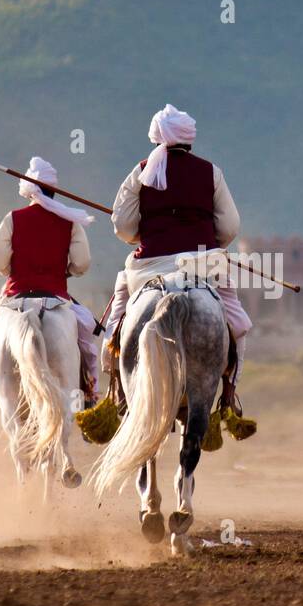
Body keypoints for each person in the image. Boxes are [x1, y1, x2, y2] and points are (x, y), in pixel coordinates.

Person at [103, 104, 252, 411]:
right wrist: (212, 243)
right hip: (205, 264)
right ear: (189, 139)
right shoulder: (211, 172)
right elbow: (230, 227)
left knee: (115, 323)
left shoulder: (141, 171)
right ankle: (228, 395)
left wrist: (141, 235)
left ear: (157, 137)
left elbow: (123, 225)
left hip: (149, 267)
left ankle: (115, 391)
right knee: (237, 325)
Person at [0, 157, 99, 425]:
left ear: (29, 191)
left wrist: (14, 269)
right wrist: (66, 271)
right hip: (56, 299)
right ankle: (90, 396)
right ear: (54, 190)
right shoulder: (70, 222)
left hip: (16, 299)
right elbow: (82, 263)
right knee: (86, 340)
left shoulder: (13, 219)